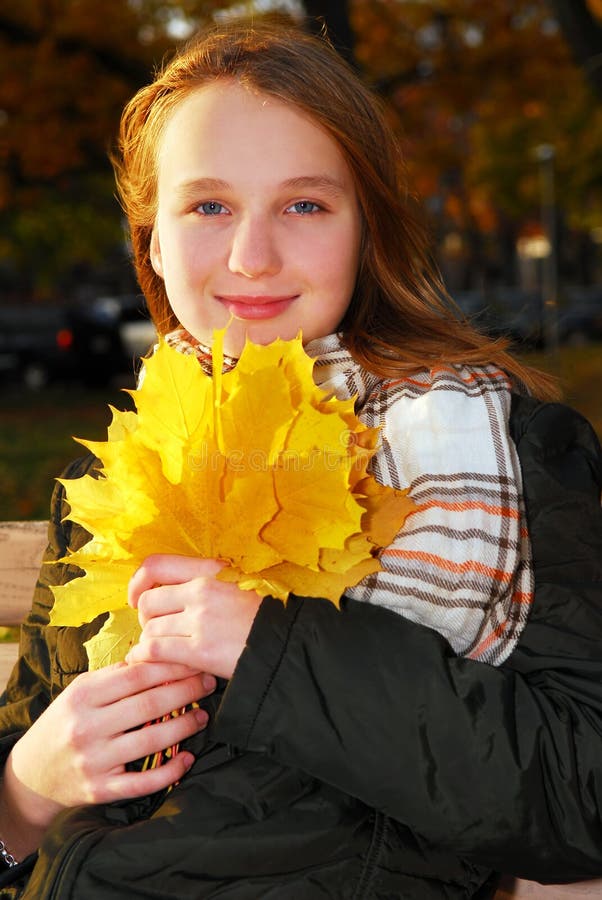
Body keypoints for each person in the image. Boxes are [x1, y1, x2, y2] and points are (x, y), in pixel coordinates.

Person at [1, 16, 602, 900]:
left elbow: (582, 793)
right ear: (153, 241)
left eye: (305, 205)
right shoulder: (118, 469)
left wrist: (273, 652)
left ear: (366, 229)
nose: (252, 256)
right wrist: (24, 791)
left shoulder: (511, 451)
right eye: (208, 206)